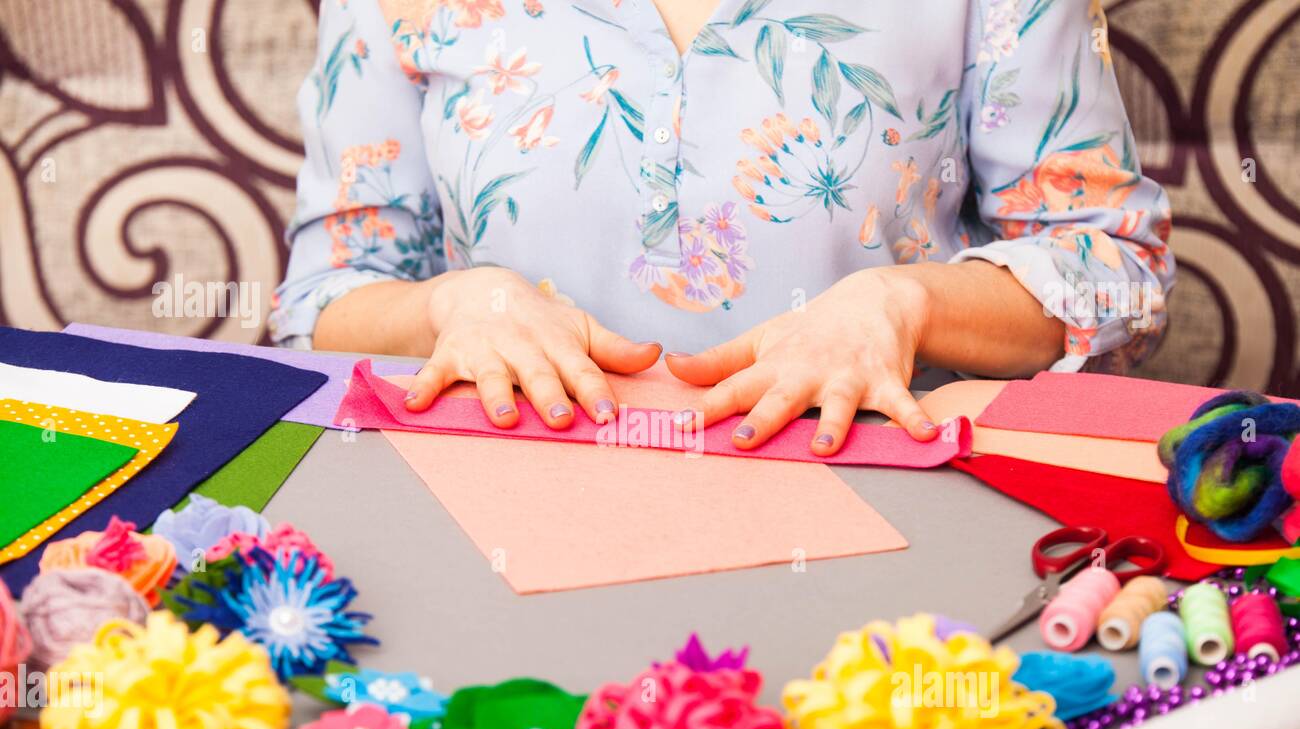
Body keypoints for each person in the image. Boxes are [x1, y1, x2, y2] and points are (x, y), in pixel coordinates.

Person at [274, 0, 1173, 454]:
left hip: (883, 500)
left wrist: (905, 305)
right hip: (495, 491)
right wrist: (454, 306)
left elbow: (1117, 268)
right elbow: (322, 301)